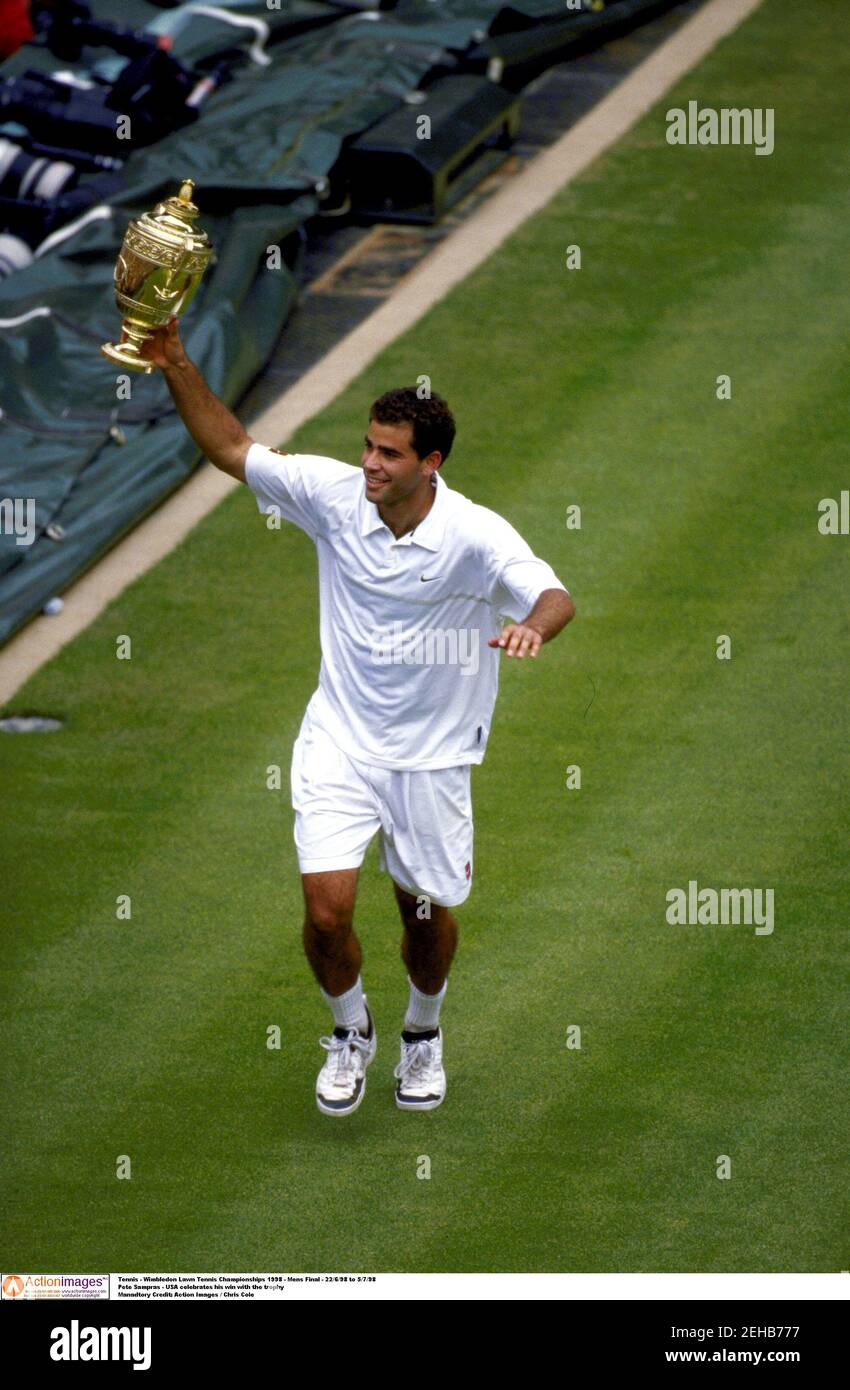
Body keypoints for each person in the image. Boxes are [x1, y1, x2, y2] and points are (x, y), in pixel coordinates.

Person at [141, 318, 576, 1116]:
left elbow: (553, 594)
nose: (371, 464)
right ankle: (350, 1031)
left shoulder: (476, 535)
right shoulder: (333, 494)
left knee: (423, 913)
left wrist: (532, 628)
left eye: (390, 454)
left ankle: (422, 1031)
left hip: (432, 757)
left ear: (431, 462)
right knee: (325, 911)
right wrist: (173, 359)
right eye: (369, 446)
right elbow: (231, 448)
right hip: (339, 740)